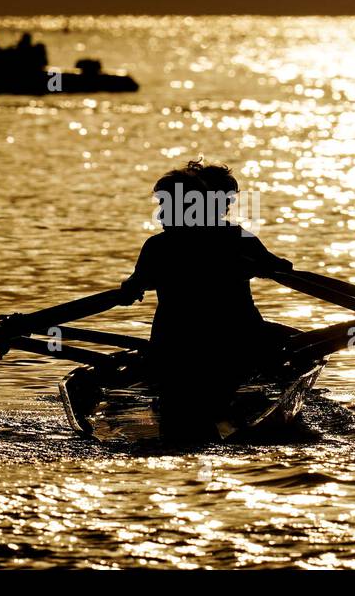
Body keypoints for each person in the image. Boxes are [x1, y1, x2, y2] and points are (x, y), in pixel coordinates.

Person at [120, 162, 293, 431]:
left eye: (166, 206)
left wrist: (129, 288)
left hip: (174, 348)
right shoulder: (238, 239)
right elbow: (280, 267)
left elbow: (134, 286)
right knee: (291, 344)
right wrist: (268, 266)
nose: (161, 215)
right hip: (236, 343)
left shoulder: (158, 247)